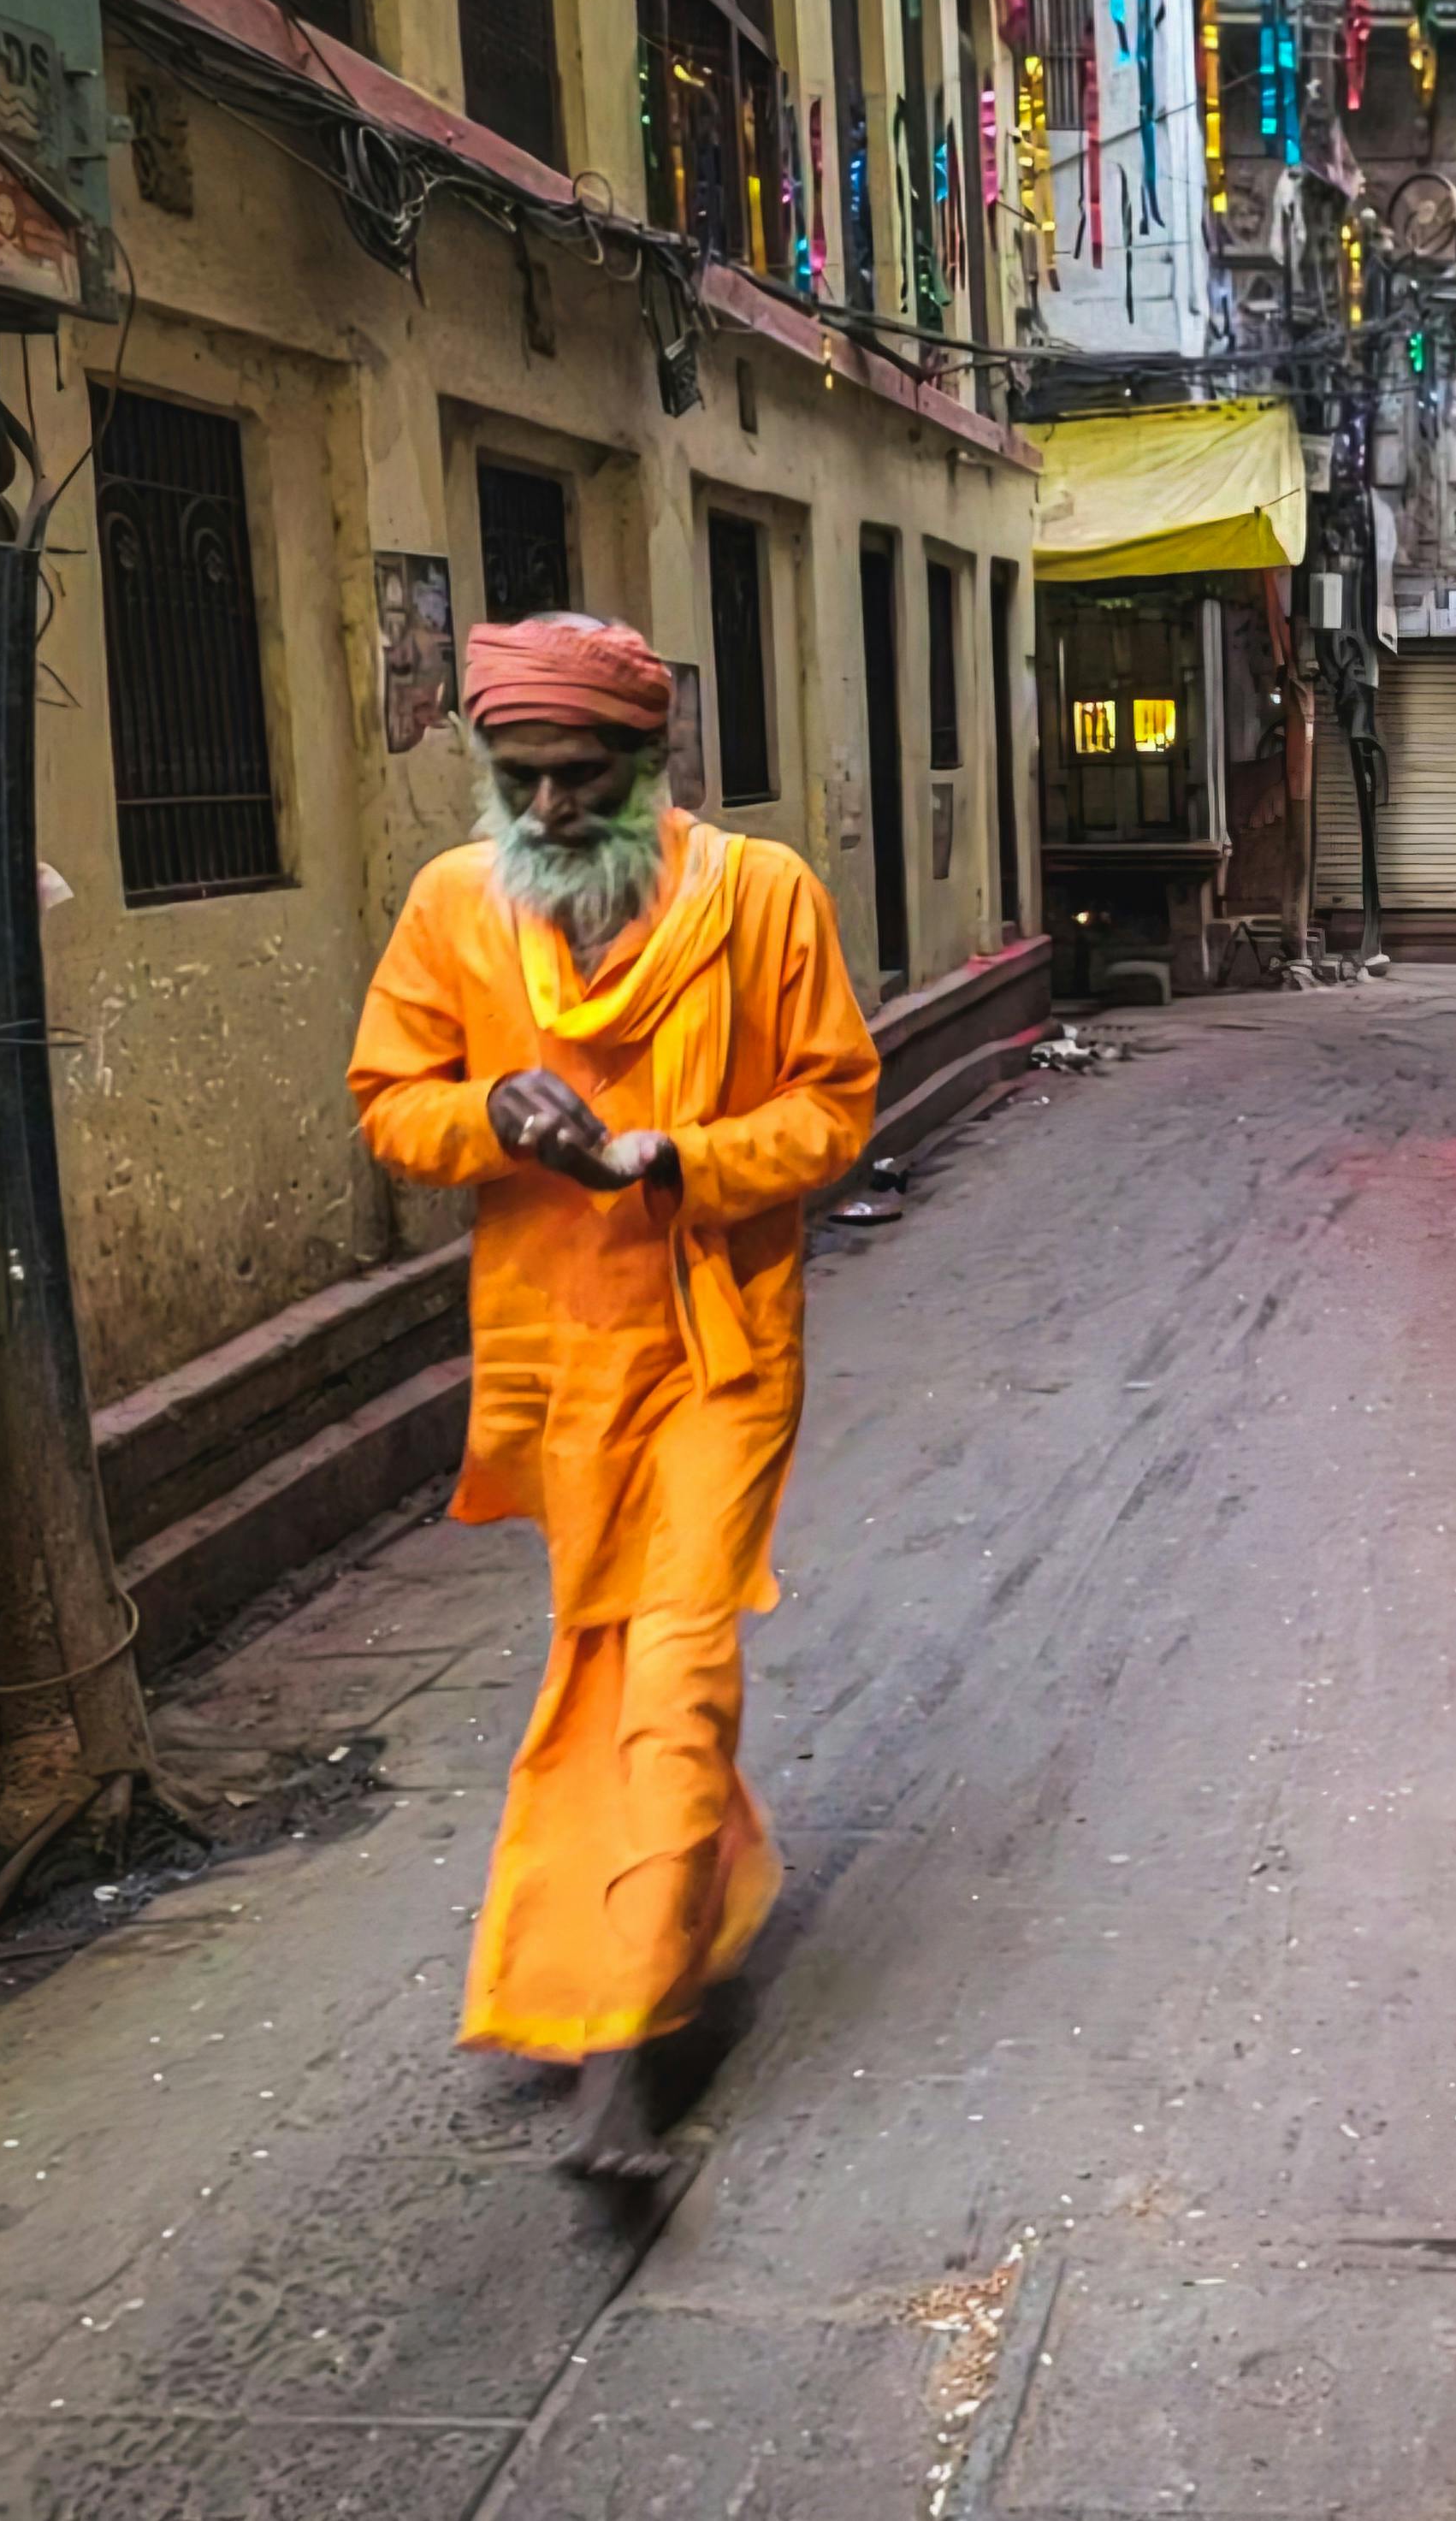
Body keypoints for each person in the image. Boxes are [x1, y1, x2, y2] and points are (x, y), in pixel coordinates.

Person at [349, 612, 877, 2177]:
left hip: (720, 1344)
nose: (550, 814)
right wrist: (496, 1124)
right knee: (611, 1664)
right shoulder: (455, 906)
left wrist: (680, 1159)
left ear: (653, 768)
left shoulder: (763, 897)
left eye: (580, 781)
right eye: (520, 783)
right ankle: (681, 1905)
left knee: (679, 1663)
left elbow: (834, 1106)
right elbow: (392, 1102)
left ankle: (620, 2047)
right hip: (556, 1357)